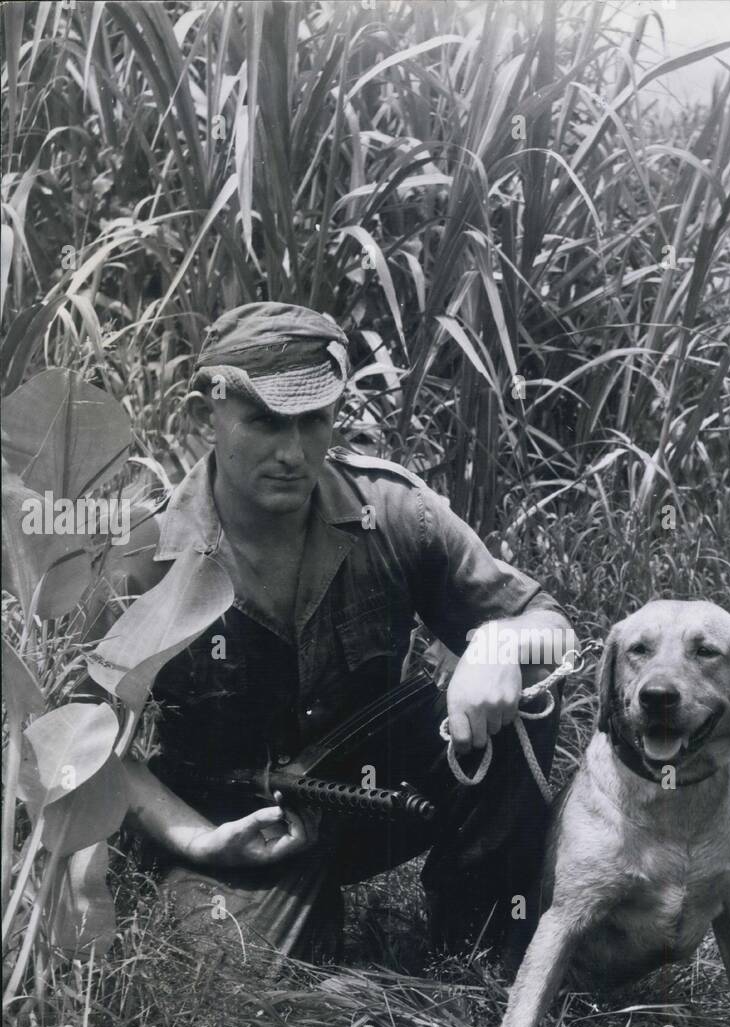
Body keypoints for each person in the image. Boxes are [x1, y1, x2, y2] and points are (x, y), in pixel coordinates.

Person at [96, 302, 573, 975]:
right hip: (235, 821)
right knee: (228, 995)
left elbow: (549, 627)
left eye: (313, 420)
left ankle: (477, 944)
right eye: (263, 421)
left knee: (525, 691)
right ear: (205, 418)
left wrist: (495, 645)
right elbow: (89, 739)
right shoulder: (146, 554)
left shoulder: (392, 512)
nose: (292, 454)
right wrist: (198, 841)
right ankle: (300, 922)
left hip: (373, 787)